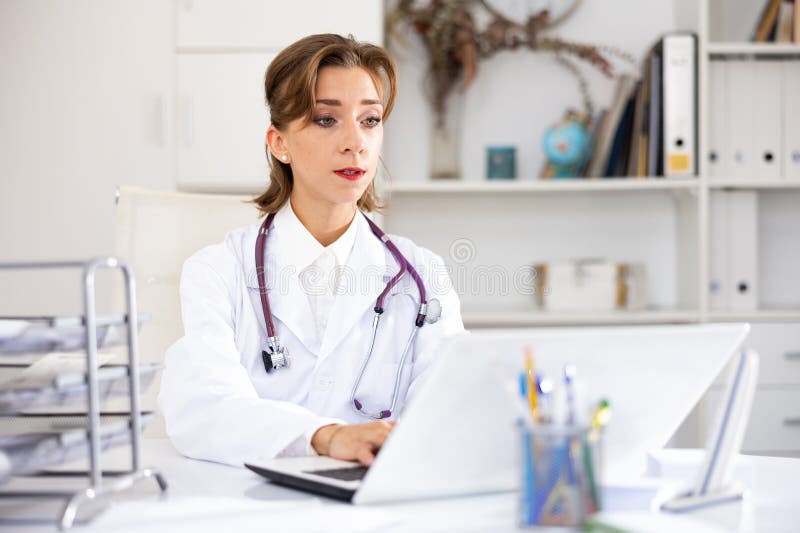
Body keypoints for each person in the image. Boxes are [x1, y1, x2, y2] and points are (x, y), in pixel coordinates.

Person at [158, 34, 464, 468]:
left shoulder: (421, 274)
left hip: (377, 504)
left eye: (370, 120)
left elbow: (452, 404)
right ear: (279, 143)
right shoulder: (218, 271)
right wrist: (324, 436)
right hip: (250, 505)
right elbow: (202, 408)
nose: (355, 141)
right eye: (326, 119)